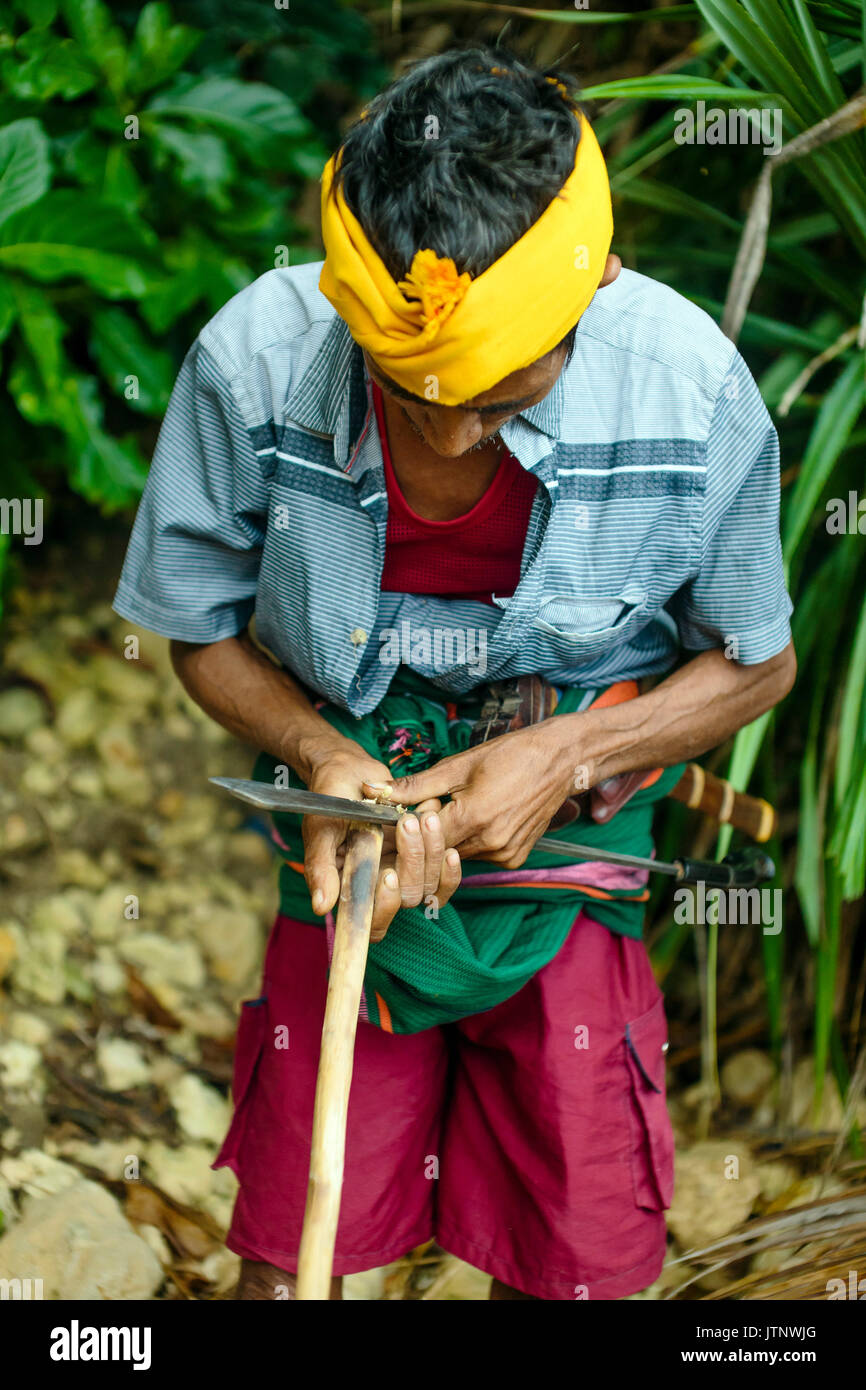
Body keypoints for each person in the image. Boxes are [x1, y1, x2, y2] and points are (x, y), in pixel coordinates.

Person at [113, 47, 796, 1301]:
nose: (444, 431)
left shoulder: (687, 392)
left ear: (592, 280)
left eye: (497, 395)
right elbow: (195, 629)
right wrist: (322, 757)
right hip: (349, 853)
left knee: (576, 1259)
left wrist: (567, 753)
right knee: (295, 1245)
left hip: (573, 859)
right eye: (404, 391)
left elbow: (754, 665)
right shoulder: (256, 361)